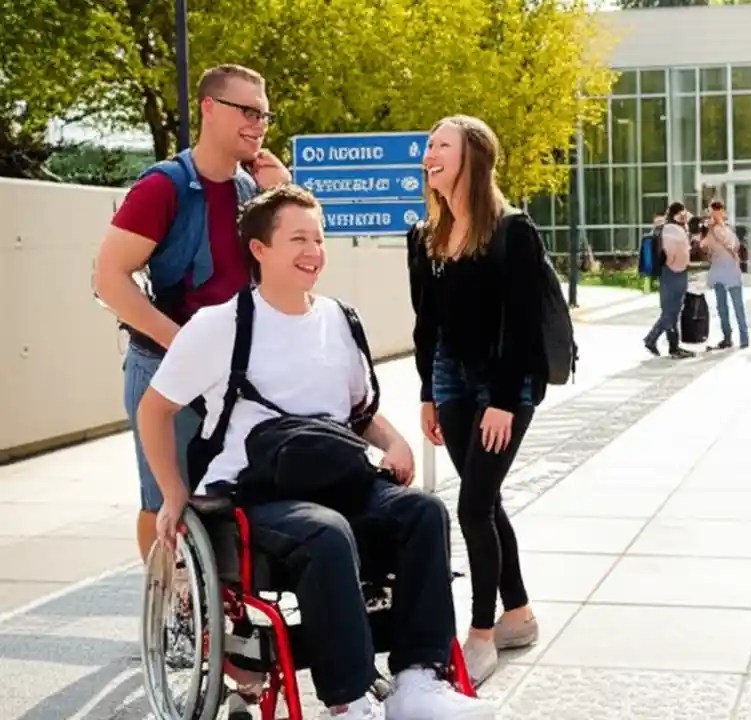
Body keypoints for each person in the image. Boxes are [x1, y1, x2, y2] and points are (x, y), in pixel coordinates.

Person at [135, 185, 494, 720]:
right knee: (326, 532)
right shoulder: (219, 325)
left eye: (319, 239)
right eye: (298, 239)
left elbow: (360, 413)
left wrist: (393, 442)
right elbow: (154, 409)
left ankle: (417, 682)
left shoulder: (339, 319)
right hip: (254, 492)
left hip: (337, 477)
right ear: (260, 249)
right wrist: (172, 492)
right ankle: (348, 701)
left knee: (423, 511)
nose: (314, 251)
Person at [93, 64, 291, 564]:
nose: (259, 124)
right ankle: (170, 599)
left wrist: (280, 196)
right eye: (247, 111)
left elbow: (287, 273)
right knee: (163, 499)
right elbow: (109, 278)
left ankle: (217, 599)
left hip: (234, 373)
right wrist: (184, 345)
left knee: (231, 493)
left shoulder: (251, 191)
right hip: (166, 368)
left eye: (264, 115)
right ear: (208, 108)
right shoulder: (164, 187)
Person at [409, 115, 545, 687]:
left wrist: (505, 401)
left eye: (442, 144)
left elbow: (524, 326)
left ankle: (482, 633)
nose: (429, 153)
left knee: (472, 507)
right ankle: (520, 614)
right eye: (428, 145)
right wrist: (427, 393)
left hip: (503, 385)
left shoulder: (513, 231)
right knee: (484, 501)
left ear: (473, 157)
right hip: (450, 381)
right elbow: (427, 325)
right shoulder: (425, 236)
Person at [642, 202, 696, 359]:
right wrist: (674, 263)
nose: (685, 216)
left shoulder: (671, 228)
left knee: (672, 312)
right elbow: (670, 251)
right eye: (682, 213)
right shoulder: (672, 229)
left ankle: (673, 346)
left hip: (673, 272)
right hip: (674, 272)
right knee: (671, 312)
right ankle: (653, 339)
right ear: (676, 213)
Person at [702, 199, 749, 350]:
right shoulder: (711, 230)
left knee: (737, 305)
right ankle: (728, 337)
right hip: (719, 270)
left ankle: (743, 337)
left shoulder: (726, 230)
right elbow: (705, 246)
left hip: (730, 270)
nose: (715, 214)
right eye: (713, 211)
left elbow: (734, 246)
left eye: (718, 210)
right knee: (722, 307)